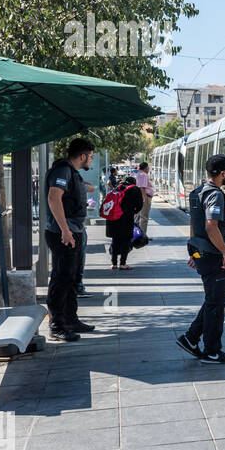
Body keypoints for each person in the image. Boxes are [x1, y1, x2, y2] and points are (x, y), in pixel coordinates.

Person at [177, 154, 225, 364]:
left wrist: (193, 252)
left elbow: (194, 224)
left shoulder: (196, 192)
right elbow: (211, 225)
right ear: (222, 173)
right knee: (216, 303)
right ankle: (212, 351)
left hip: (200, 252)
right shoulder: (215, 195)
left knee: (213, 299)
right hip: (212, 256)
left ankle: (190, 339)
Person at [45, 137, 97, 340]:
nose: (91, 161)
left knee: (72, 277)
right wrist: (65, 230)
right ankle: (57, 325)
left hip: (72, 230)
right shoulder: (62, 170)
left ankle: (70, 319)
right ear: (83, 156)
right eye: (91, 157)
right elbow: (53, 197)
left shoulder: (71, 172)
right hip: (62, 233)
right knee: (61, 278)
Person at [105, 174, 143, 269]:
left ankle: (113, 263)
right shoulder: (135, 189)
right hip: (126, 217)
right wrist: (133, 211)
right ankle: (123, 263)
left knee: (115, 240)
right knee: (125, 240)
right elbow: (139, 205)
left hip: (114, 217)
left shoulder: (118, 187)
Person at [134, 161, 155, 236]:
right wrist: (144, 198)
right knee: (144, 217)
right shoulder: (144, 175)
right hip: (145, 197)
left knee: (138, 217)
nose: (149, 169)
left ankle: (136, 234)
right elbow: (142, 187)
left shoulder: (139, 174)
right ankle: (142, 236)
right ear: (146, 168)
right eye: (148, 167)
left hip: (141, 197)